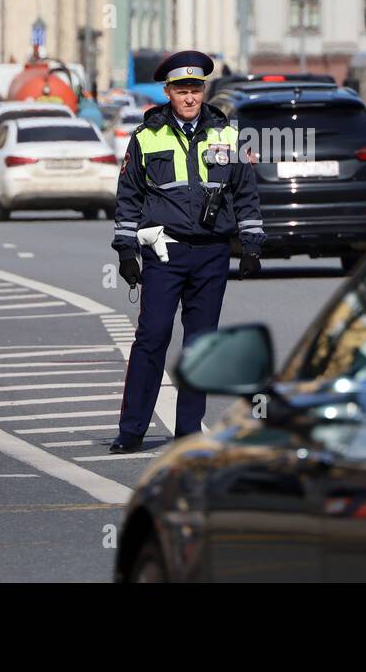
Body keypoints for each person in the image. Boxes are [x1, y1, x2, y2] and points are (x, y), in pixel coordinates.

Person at [108, 50, 264, 453]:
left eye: (196, 89)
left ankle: (188, 430)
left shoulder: (229, 135)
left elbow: (246, 194)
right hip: (165, 252)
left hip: (212, 254)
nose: (190, 97)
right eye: (182, 90)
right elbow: (129, 198)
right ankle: (131, 431)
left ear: (204, 91)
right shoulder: (146, 137)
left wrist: (251, 245)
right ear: (168, 92)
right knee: (152, 337)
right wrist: (126, 250)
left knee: (200, 345)